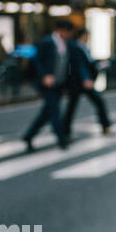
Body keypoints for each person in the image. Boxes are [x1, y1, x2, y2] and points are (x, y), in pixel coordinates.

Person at [23, 18, 80, 152]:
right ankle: (62, 139)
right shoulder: (46, 42)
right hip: (47, 83)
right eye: (67, 32)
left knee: (47, 113)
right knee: (55, 110)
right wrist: (44, 75)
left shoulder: (67, 44)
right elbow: (36, 61)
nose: (68, 35)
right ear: (60, 31)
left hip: (59, 83)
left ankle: (29, 136)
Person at [62, 28, 112, 138]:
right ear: (82, 35)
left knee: (97, 102)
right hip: (79, 83)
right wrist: (86, 79)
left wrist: (99, 64)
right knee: (73, 107)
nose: (88, 38)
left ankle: (106, 126)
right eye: (87, 36)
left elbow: (87, 63)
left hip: (83, 82)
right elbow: (79, 65)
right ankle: (65, 132)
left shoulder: (83, 47)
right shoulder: (75, 47)